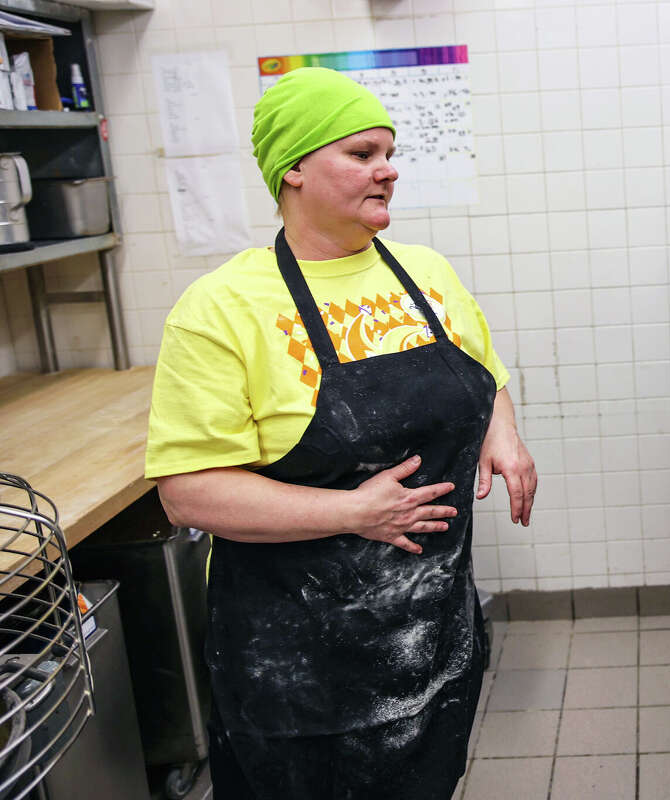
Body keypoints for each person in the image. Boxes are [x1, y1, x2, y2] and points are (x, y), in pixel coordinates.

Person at [144, 67, 535, 799]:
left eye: (389, 152)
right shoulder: (222, 308)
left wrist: (501, 430)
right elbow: (188, 494)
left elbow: (486, 369)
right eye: (361, 154)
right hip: (298, 669)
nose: (387, 170)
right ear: (292, 168)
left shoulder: (425, 273)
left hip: (433, 636)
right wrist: (352, 513)